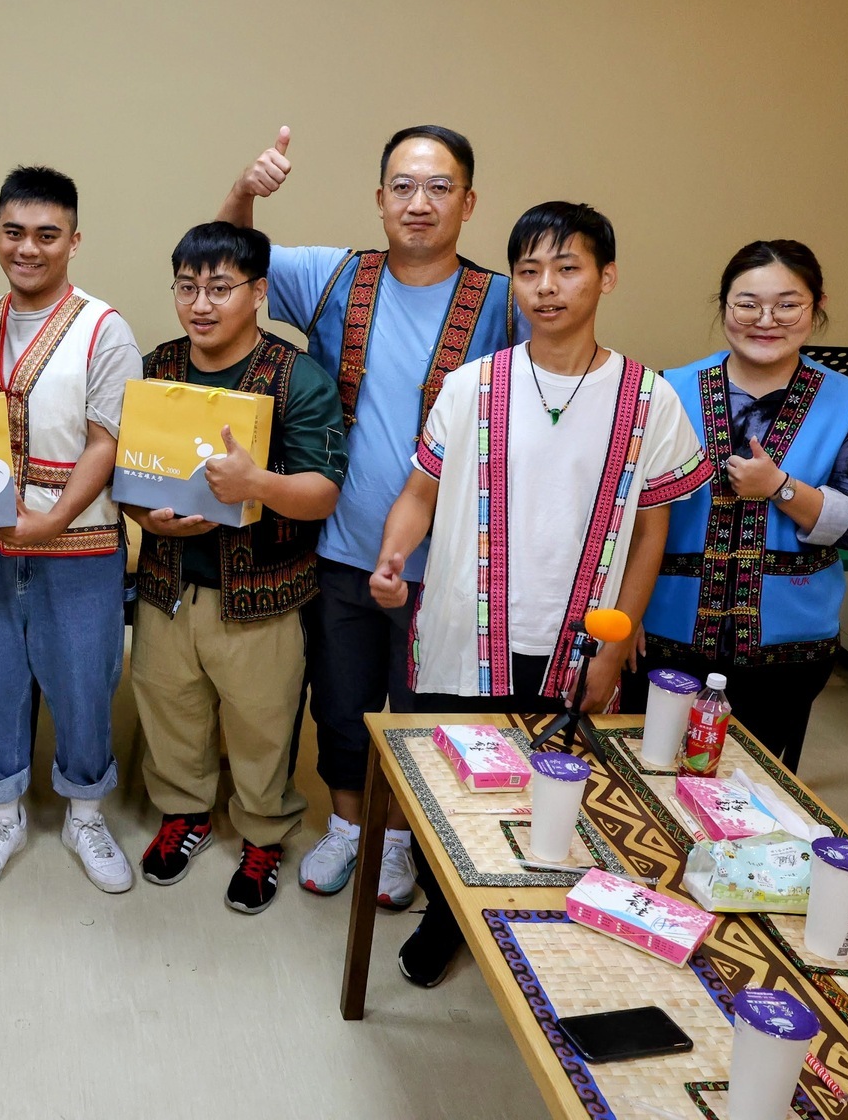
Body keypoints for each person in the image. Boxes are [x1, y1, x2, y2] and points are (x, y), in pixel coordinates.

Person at [369, 201, 713, 985]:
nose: (546, 287)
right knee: (448, 787)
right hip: (466, 628)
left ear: (607, 277)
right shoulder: (471, 386)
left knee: (556, 796)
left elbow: (652, 531)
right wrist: (392, 559)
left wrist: (618, 640)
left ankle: (532, 917)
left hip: (580, 638)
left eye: (567, 268)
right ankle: (446, 911)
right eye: (529, 271)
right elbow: (420, 492)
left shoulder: (647, 398)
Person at [217, 125, 516, 909]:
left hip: (449, 562)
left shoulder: (503, 302)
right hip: (340, 547)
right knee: (341, 703)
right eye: (404, 187)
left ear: (469, 201)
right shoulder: (333, 276)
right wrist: (246, 191)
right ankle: (349, 826)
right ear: (380, 198)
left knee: (423, 712)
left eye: (439, 187)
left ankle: (398, 840)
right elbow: (230, 263)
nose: (419, 203)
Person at [0, 166, 140, 896]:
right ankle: (3, 814)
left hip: (78, 541)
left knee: (85, 678)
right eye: (14, 232)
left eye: (47, 235)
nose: (28, 249)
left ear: (74, 240)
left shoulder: (104, 329)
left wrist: (49, 520)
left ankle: (85, 812)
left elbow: (107, 442)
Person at [124, 222, 347, 915]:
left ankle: (262, 835)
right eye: (188, 287)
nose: (201, 303)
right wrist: (144, 517)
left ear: (257, 293)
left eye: (220, 288)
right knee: (171, 710)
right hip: (166, 585)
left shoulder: (297, 376)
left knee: (262, 726)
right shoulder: (158, 367)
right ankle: (185, 815)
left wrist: (258, 484)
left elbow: (323, 490)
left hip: (263, 596)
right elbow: (132, 474)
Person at [633, 240, 848, 771]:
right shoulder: (666, 390)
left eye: (787, 304)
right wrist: (623, 610)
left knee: (751, 792)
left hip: (788, 648)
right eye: (746, 303)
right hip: (662, 637)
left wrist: (781, 487)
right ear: (723, 306)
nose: (765, 319)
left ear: (816, 305)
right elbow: (620, 512)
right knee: (648, 774)